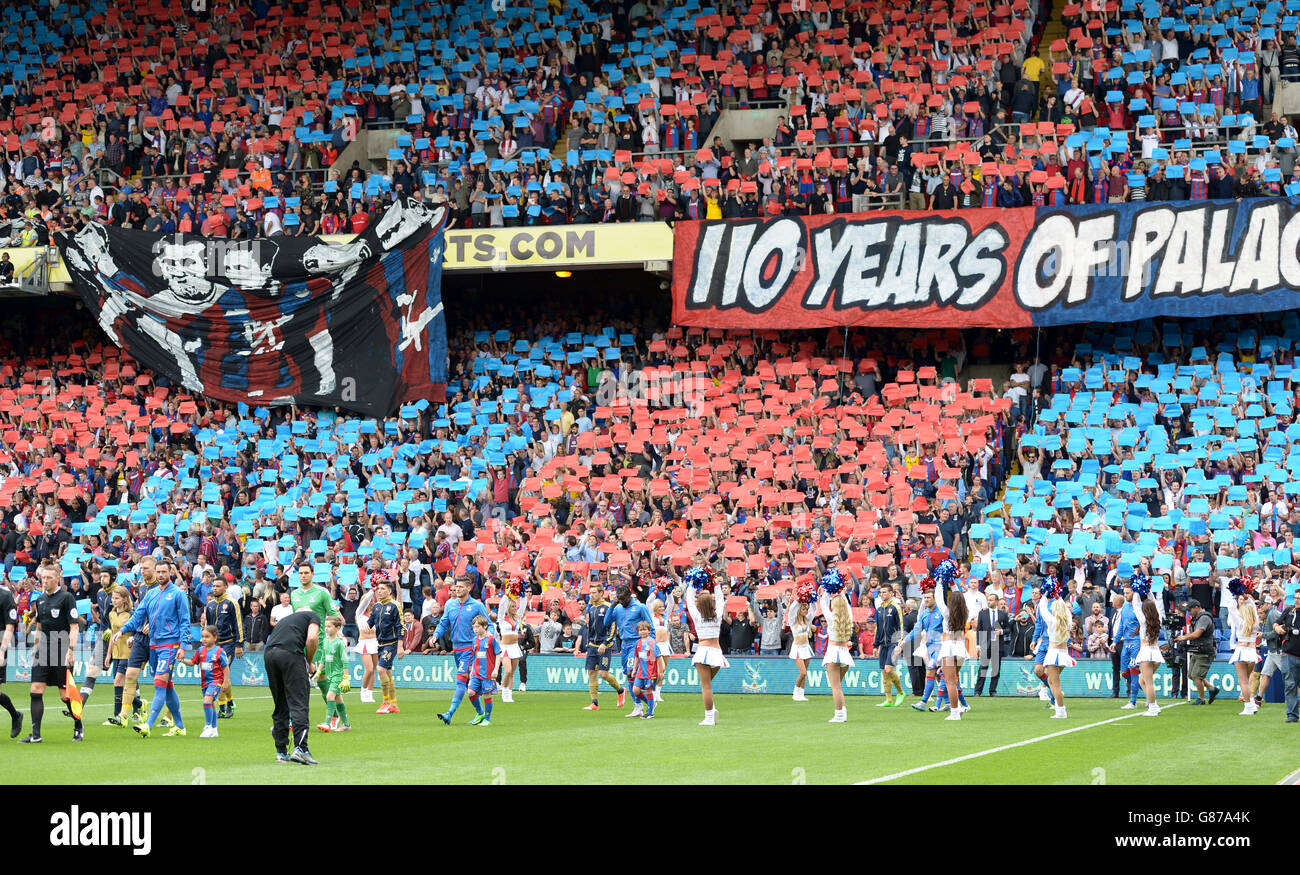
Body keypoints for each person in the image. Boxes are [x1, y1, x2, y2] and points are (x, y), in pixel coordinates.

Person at [114, 561, 192, 738]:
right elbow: (138, 616)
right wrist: (122, 631)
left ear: (170, 572)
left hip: (169, 645)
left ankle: (148, 724)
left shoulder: (178, 594)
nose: (161, 575)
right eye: (158, 572)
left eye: (164, 571)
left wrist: (182, 646)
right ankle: (179, 725)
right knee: (167, 685)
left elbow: (185, 621)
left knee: (159, 683)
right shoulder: (151, 594)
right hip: (153, 645)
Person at [20, 568, 83, 743]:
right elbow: (39, 627)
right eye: (43, 577)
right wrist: (35, 649)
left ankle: (78, 726)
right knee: (35, 691)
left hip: (61, 648)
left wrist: (70, 650)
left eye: (49, 577)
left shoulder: (66, 598)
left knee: (65, 695)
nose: (45, 580)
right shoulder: (40, 599)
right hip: (44, 650)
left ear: (57, 579)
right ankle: (35, 734)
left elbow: (74, 626)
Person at [264, 605, 321, 764]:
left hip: (269, 655)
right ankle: (301, 749)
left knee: (281, 704)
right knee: (298, 702)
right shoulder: (312, 616)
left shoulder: (285, 620)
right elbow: (311, 638)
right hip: (290, 654)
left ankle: (281, 751)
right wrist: (309, 662)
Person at [434, 577, 490, 725]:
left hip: (470, 649)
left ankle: (449, 713)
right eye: (456, 587)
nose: (457, 589)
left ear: (468, 588)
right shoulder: (450, 605)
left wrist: (483, 643)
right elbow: (443, 623)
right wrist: (435, 635)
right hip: (456, 649)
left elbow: (488, 625)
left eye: (460, 587)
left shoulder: (476, 606)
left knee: (460, 682)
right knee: (467, 686)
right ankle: (480, 714)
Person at [115, 555, 158, 726]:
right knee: (130, 674)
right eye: (141, 568)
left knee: (162, 679)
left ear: (155, 568)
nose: (143, 571)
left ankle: (169, 716)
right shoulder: (141, 587)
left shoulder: (161, 588)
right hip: (140, 637)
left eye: (146, 568)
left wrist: (152, 626)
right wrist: (131, 632)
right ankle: (124, 715)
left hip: (158, 639)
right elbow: (140, 613)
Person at [683, 568, 728, 725]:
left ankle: (709, 717)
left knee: (706, 686)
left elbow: (688, 600)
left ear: (700, 605)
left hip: (703, 651)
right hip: (716, 652)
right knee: (708, 683)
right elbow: (721, 600)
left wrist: (691, 584)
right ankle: (712, 709)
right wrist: (715, 583)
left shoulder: (697, 617)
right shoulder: (717, 616)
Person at [896, 583, 943, 711]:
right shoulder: (924, 614)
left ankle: (923, 701)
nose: (926, 600)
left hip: (941, 648)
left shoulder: (942, 612)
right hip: (930, 649)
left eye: (929, 597)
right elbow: (916, 631)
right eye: (925, 598)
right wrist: (904, 642)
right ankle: (955, 703)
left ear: (935, 598)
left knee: (931, 671)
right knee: (942, 676)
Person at [609, 583, 654, 718]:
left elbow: (650, 626)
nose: (622, 602)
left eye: (624, 599)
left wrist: (650, 646)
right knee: (628, 675)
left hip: (636, 643)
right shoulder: (617, 608)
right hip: (624, 644)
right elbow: (606, 622)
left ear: (630, 596)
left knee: (631, 673)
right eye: (619, 600)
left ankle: (639, 705)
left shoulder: (640, 607)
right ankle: (642, 705)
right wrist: (612, 605)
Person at [204, 575, 244, 719]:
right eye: (213, 586)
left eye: (218, 586)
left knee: (219, 674)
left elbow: (239, 623)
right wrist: (205, 641)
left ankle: (222, 708)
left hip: (229, 643)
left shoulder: (232, 603)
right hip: (214, 645)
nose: (215, 588)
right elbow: (207, 627)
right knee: (217, 676)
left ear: (225, 587)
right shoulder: (210, 605)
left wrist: (239, 644)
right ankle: (230, 702)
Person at [580, 584, 625, 711]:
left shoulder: (608, 607)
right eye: (590, 592)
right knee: (591, 672)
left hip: (604, 646)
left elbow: (613, 628)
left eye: (594, 592)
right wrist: (588, 642)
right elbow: (590, 627)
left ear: (601, 593)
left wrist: (605, 643)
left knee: (603, 674)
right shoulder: (591, 608)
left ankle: (621, 690)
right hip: (592, 646)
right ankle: (594, 703)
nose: (591, 595)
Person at [180, 624, 229, 738]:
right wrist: (182, 660)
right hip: (204, 683)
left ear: (215, 637)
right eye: (202, 637)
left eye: (207, 636)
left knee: (207, 701)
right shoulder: (200, 650)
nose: (204, 639)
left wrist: (225, 682)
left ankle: (207, 726)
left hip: (216, 681)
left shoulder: (219, 651)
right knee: (211, 704)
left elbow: (225, 667)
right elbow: (193, 662)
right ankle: (214, 729)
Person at [819, 573, 855, 723]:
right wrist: (840, 591)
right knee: (838, 686)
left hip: (834, 652)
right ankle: (843, 711)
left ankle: (839, 714)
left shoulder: (831, 618)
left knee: (836, 687)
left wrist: (828, 589)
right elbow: (846, 604)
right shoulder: (849, 618)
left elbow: (822, 602)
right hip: (845, 653)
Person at [1222, 577, 1260, 716]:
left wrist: (1237, 594)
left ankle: (1248, 707)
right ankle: (1252, 705)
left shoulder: (1241, 623)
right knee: (1248, 681)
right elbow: (1252, 607)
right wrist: (1245, 595)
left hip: (1241, 651)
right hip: (1251, 651)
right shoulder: (1255, 623)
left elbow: (1232, 608)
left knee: (1243, 682)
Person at [1174, 598, 1221, 705]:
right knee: (1191, 674)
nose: (1189, 612)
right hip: (1198, 650)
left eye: (1190, 610)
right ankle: (1212, 689)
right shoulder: (1197, 618)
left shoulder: (1204, 618)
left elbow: (1197, 634)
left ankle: (1201, 699)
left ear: (1197, 607)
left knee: (1196, 676)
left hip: (1205, 651)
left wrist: (1183, 638)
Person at [100, 586, 133, 729]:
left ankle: (117, 715)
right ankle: (138, 703)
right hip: (116, 653)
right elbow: (113, 636)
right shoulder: (112, 614)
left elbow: (134, 634)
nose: (114, 601)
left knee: (117, 681)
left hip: (128, 653)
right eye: (113, 598)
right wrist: (108, 655)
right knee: (120, 684)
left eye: (117, 598)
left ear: (125, 599)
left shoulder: (131, 614)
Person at [369, 580, 405, 713]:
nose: (379, 591)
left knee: (380, 669)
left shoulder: (394, 606)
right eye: (378, 589)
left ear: (389, 591)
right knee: (388, 674)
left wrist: (400, 647)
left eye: (382, 588)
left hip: (392, 643)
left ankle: (385, 702)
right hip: (380, 644)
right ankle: (394, 705)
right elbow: (370, 623)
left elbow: (400, 626)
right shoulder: (377, 606)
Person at [313, 615, 352, 732]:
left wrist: (345, 678)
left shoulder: (339, 643)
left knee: (330, 696)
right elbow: (323, 658)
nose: (326, 629)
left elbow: (345, 661)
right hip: (329, 674)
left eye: (329, 626)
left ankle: (327, 723)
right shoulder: (325, 641)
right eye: (325, 626)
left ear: (337, 628)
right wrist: (318, 672)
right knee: (338, 699)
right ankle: (346, 724)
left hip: (337, 675)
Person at [938, 589, 971, 721]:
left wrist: (940, 581)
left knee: (950, 682)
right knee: (953, 681)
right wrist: (952, 581)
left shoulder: (947, 613)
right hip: (961, 648)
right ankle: (958, 707)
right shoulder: (965, 613)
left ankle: (955, 713)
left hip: (949, 648)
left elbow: (939, 599)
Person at [874, 583, 906, 706]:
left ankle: (901, 692)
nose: (882, 594)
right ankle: (888, 700)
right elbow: (878, 628)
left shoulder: (895, 607)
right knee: (884, 672)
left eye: (885, 592)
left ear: (891, 594)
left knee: (888, 669)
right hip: (883, 644)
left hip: (893, 644)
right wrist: (875, 645)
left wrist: (900, 643)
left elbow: (901, 626)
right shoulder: (880, 609)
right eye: (881, 592)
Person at [466, 615, 500, 726]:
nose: (475, 629)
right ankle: (480, 713)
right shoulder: (474, 640)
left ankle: (487, 719)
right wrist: (471, 669)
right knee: (470, 692)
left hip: (488, 673)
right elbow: (475, 656)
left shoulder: (491, 639)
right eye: (474, 627)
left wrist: (496, 669)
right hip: (476, 672)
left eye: (477, 627)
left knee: (486, 695)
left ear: (485, 626)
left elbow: (498, 654)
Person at [1134, 591, 1163, 717]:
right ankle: (1154, 704)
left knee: (1148, 682)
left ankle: (1152, 708)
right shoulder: (1159, 619)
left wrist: (1137, 590)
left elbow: (1135, 604)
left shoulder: (1143, 620)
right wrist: (1148, 591)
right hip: (1155, 652)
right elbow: (1155, 603)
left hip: (1146, 652)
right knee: (1142, 680)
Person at [1273, 588, 1300, 723]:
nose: (1296, 600)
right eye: (1295, 598)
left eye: (1299, 598)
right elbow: (1276, 623)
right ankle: (1292, 715)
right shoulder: (1289, 611)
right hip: (1289, 654)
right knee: (1290, 685)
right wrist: (1277, 628)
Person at [974, 592, 1008, 695]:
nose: (989, 602)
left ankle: (992, 691)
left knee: (996, 669)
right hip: (985, 645)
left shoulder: (1003, 614)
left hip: (998, 645)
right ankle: (978, 691)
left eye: (991, 600)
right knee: (983, 668)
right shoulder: (982, 613)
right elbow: (979, 629)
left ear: (996, 601)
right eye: (988, 600)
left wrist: (1001, 631)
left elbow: (1008, 629)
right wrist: (978, 645)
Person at [0, 576, 22, 737]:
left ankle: (15, 715)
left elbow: (10, 625)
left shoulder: (5, 596)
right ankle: (16, 715)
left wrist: (2, 650)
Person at [353, 586, 378, 703]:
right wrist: (373, 590)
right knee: (369, 668)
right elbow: (365, 602)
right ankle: (363, 691)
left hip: (375, 643)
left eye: (373, 601)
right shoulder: (359, 614)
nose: (371, 602)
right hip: (364, 643)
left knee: (374, 670)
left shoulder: (375, 614)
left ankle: (370, 693)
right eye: (369, 601)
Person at [787, 594, 814, 701]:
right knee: (802, 672)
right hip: (797, 648)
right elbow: (792, 610)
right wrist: (798, 599)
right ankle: (795, 693)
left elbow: (814, 609)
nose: (806, 611)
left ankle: (801, 694)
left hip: (806, 647)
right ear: (799, 610)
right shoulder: (793, 621)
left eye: (806, 609)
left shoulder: (807, 620)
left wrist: (813, 599)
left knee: (805, 673)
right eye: (803, 609)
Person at [497, 592, 522, 703]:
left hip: (515, 647)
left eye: (515, 606)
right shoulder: (502, 619)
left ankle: (509, 695)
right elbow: (502, 606)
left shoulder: (517, 619)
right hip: (505, 647)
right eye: (512, 606)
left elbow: (523, 606)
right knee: (507, 671)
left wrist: (523, 595)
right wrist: (507, 595)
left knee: (512, 673)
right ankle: (503, 691)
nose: (515, 608)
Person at [630, 621, 659, 719]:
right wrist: (634, 669)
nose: (643, 632)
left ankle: (650, 712)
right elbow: (637, 657)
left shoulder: (653, 643)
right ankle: (651, 704)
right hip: (641, 671)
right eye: (640, 630)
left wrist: (660, 671)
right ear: (638, 632)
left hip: (650, 671)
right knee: (635, 690)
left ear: (649, 631)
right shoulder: (638, 643)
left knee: (648, 691)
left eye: (645, 630)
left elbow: (658, 657)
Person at [650, 594, 673, 702]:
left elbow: (671, 603)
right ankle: (653, 691)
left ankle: (657, 693)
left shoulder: (666, 616)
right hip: (656, 645)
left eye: (663, 606)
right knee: (658, 670)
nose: (662, 608)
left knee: (663, 671)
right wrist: (656, 590)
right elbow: (649, 601)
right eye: (659, 607)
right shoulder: (651, 615)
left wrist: (669, 592)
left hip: (665, 645)